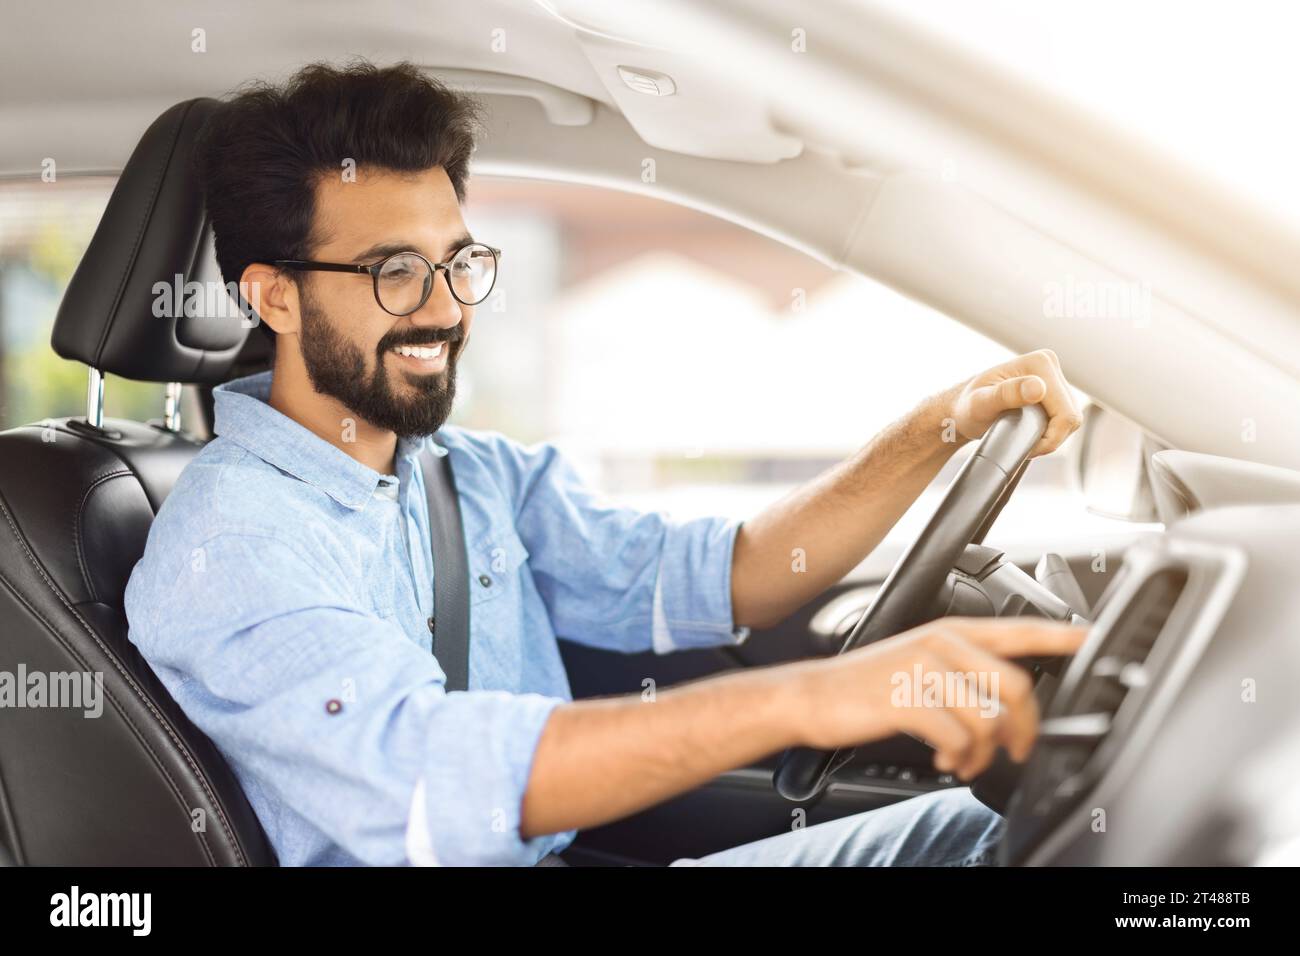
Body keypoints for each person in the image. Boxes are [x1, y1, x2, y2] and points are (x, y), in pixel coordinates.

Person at [124, 60, 1086, 867]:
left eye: (458, 263)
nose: (446, 310)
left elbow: (732, 575)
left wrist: (937, 430)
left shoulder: (468, 474)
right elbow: (428, 777)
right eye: (392, 272)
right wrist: (820, 695)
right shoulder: (233, 542)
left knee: (1007, 831)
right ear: (275, 298)